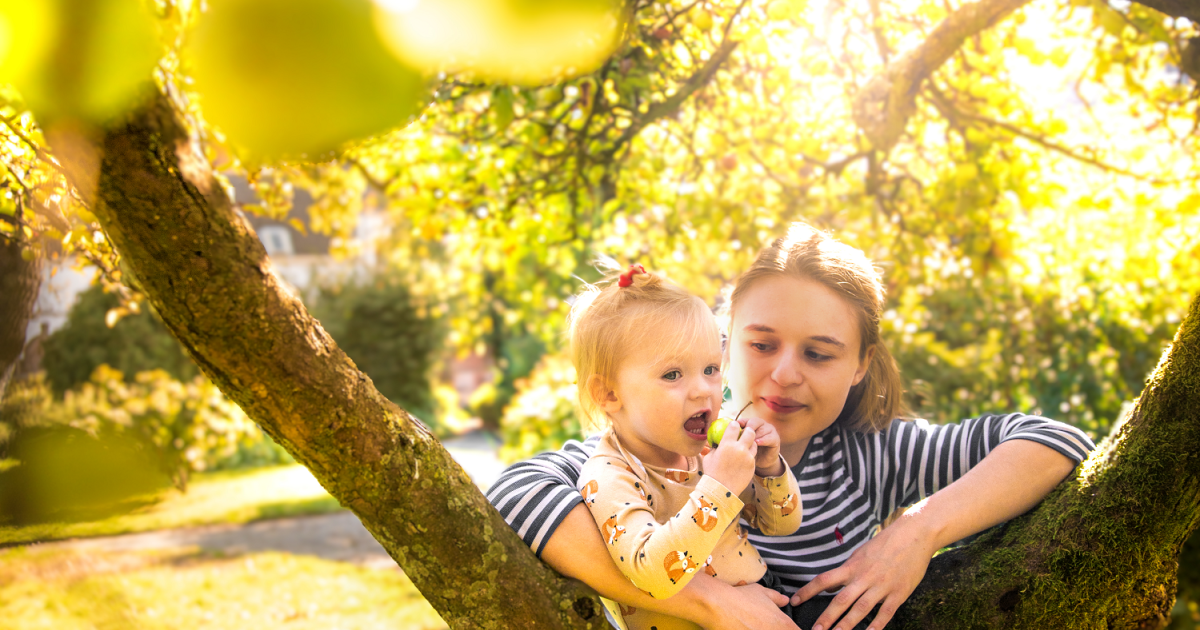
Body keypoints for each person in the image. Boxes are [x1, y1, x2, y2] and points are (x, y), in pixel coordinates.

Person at [487, 223, 1096, 630]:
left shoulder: (873, 453)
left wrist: (918, 530)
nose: (782, 374)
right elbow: (516, 496)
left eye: (819, 353)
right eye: (761, 343)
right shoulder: (661, 452)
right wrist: (714, 603)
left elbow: (1057, 442)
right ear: (727, 341)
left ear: (860, 365)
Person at [567, 263, 803, 630]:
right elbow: (652, 573)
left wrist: (769, 468)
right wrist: (719, 487)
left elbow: (782, 524)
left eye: (710, 369)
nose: (702, 390)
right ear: (609, 394)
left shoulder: (706, 452)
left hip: (764, 603)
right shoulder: (610, 476)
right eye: (672, 374)